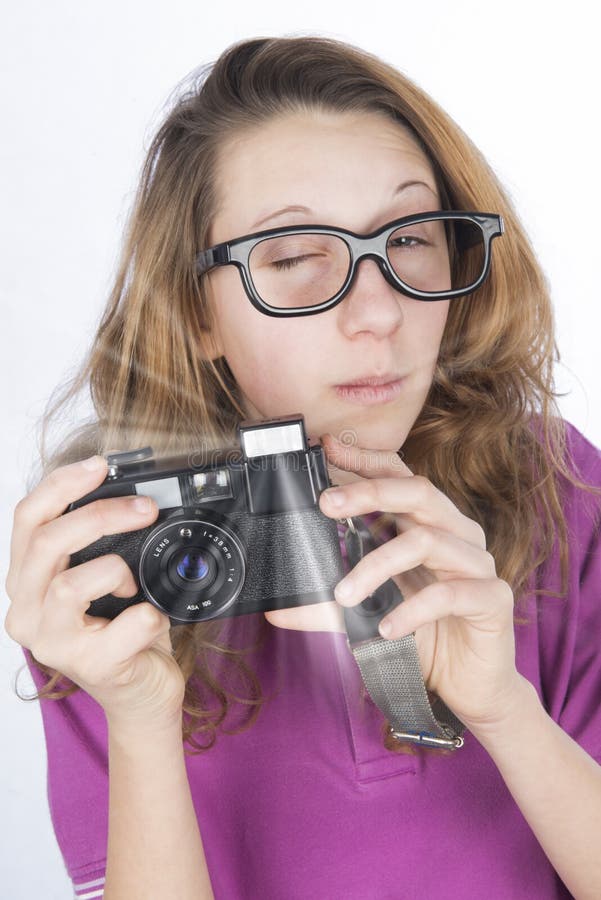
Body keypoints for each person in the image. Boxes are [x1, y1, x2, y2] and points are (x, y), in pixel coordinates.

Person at [4, 34, 601, 900]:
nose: (377, 312)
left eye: (410, 238)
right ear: (196, 313)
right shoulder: (113, 560)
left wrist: (502, 707)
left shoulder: (552, 482)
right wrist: (137, 718)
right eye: (291, 258)